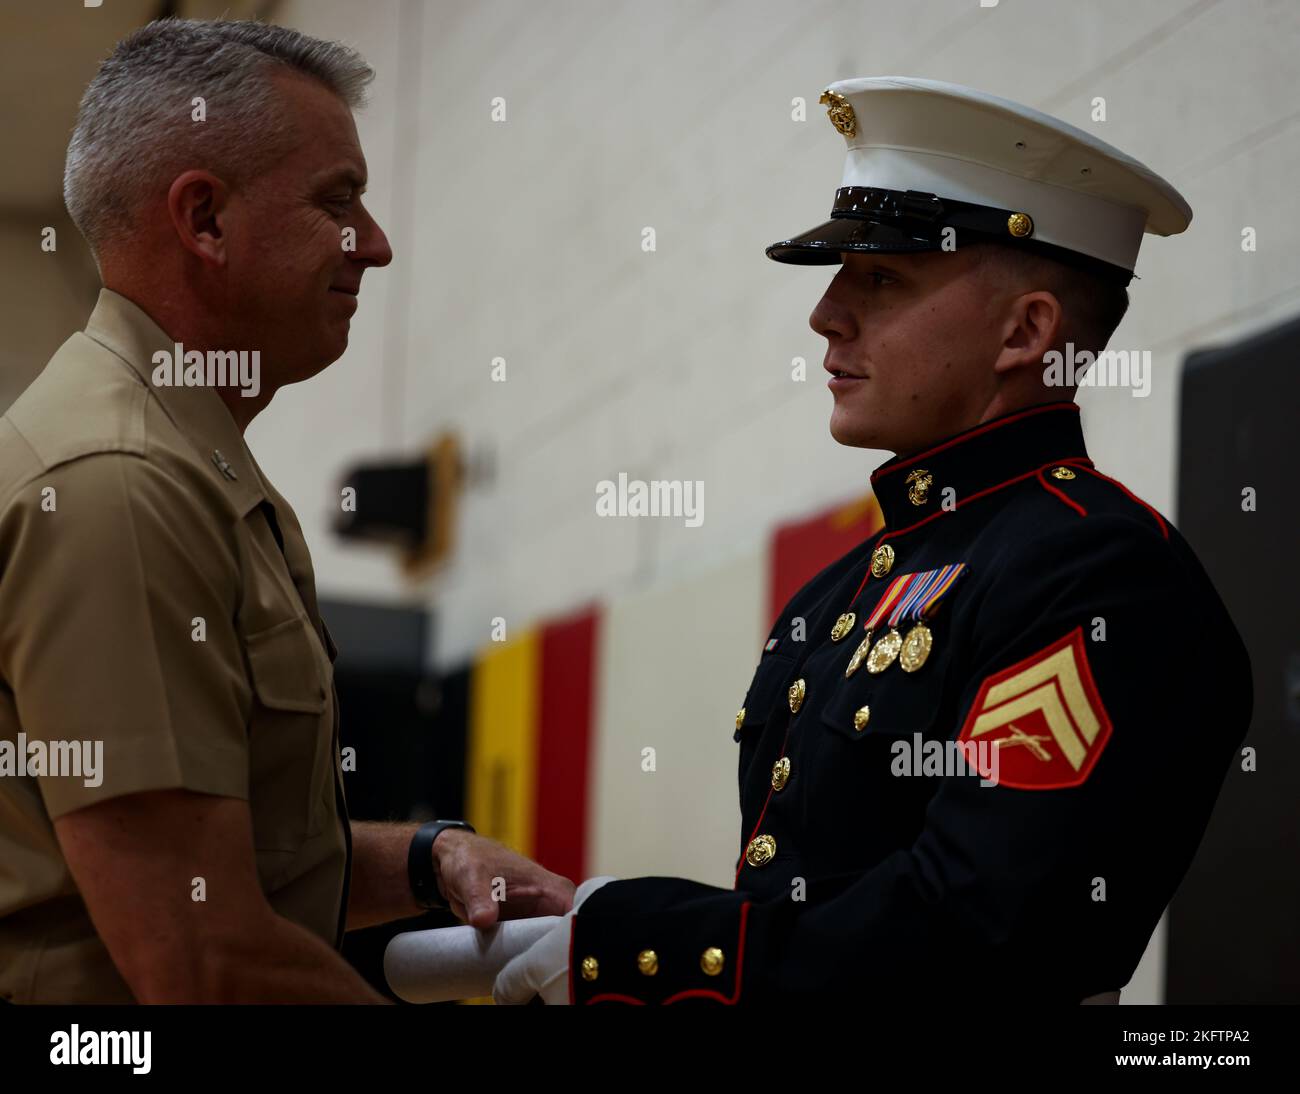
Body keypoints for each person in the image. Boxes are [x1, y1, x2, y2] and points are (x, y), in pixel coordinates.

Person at [493, 76, 1252, 1005]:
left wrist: (662, 953)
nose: (826, 315)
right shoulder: (842, 590)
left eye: (882, 278)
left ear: (1027, 332)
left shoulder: (1100, 574)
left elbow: (977, 934)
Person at [0, 18, 572, 1005]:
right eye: (337, 200)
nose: (378, 245)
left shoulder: (190, 462)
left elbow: (230, 852)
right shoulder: (122, 482)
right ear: (206, 221)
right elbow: (200, 958)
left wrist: (428, 857)